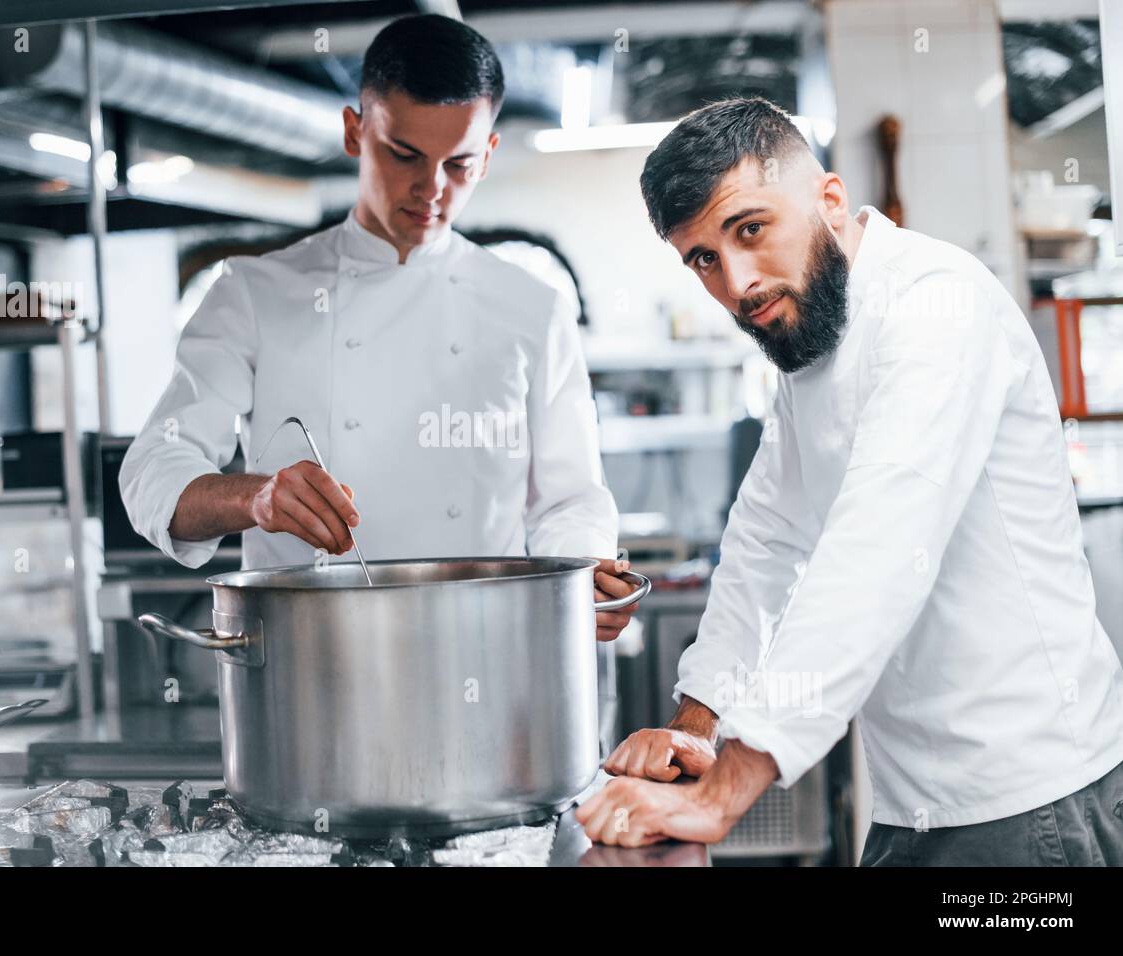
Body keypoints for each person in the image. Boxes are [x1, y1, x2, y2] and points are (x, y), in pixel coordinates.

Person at [578, 96, 1123, 865]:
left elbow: (875, 553)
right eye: (702, 257)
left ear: (829, 200)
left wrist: (722, 793)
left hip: (1032, 807)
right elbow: (765, 544)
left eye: (749, 229)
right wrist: (695, 727)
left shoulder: (937, 307)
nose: (736, 283)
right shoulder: (811, 341)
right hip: (916, 804)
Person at [120, 14, 638, 641]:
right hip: (311, 660)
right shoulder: (253, 292)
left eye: (460, 165)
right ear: (354, 131)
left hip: (484, 652)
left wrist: (580, 576)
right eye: (404, 155)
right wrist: (254, 498)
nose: (431, 190)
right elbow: (153, 466)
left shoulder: (533, 308)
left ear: (490, 153)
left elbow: (570, 499)